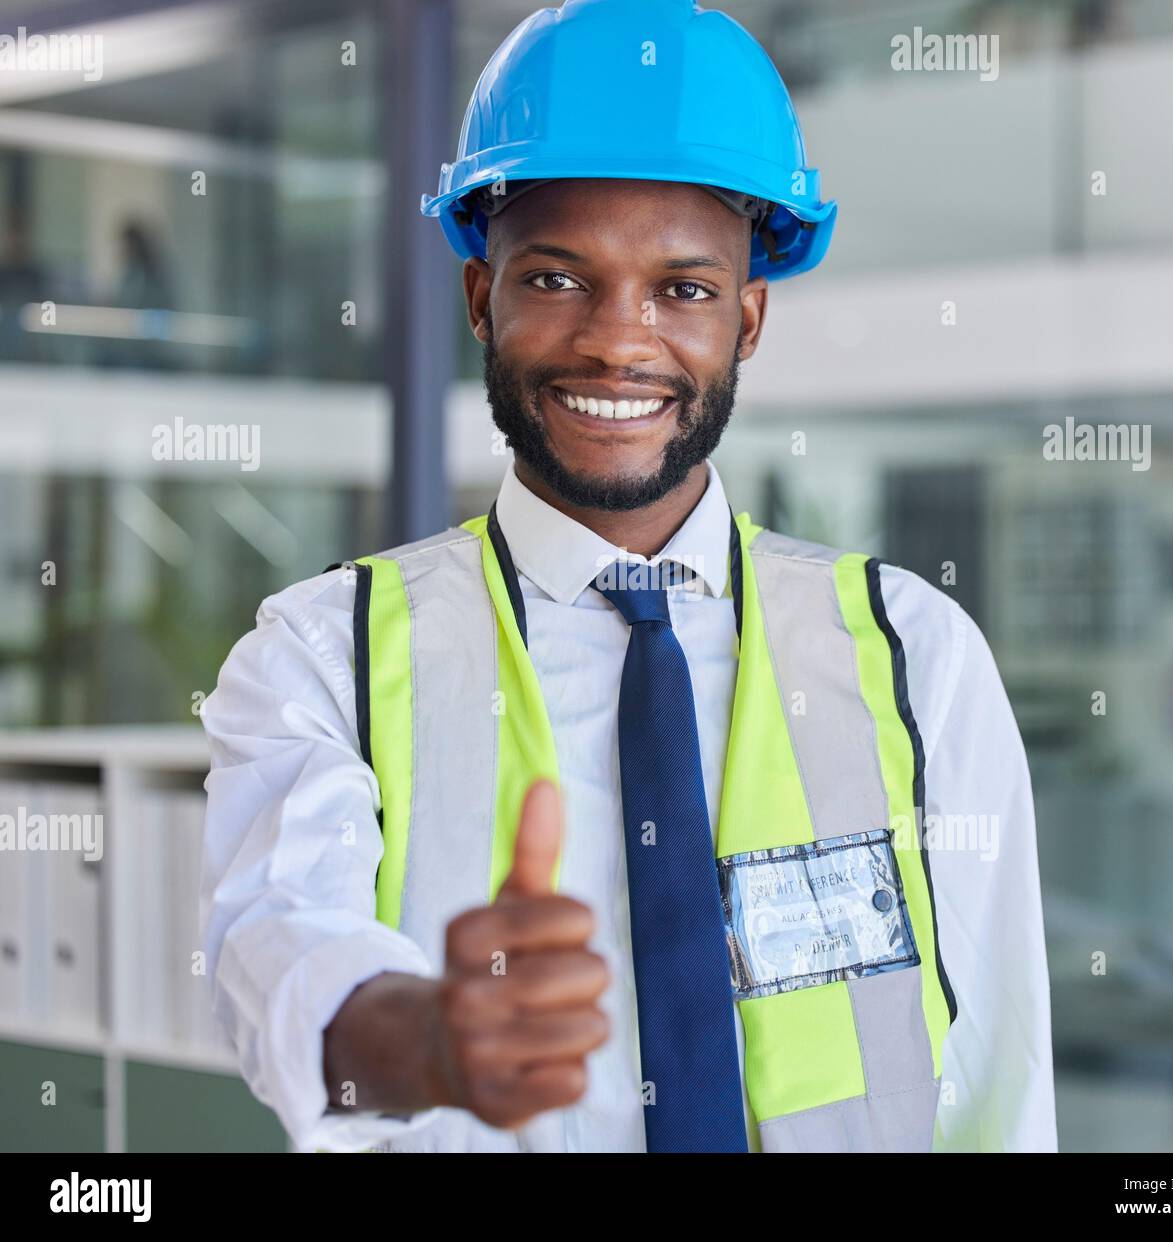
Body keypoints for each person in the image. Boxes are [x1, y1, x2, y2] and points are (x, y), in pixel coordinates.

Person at [200, 0, 1056, 1154]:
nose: (618, 339)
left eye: (684, 290)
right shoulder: (323, 654)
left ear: (746, 321)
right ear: (478, 302)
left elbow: (1000, 1075)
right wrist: (428, 1038)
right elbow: (278, 954)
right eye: (555, 279)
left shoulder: (914, 650)